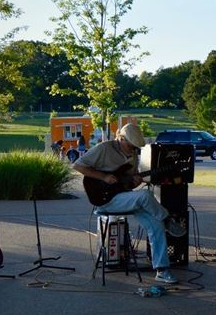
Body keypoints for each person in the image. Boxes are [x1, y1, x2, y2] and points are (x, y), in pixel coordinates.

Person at [72, 122, 185, 285]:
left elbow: (128, 183)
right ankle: (167, 219)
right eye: (132, 146)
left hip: (123, 196)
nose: (134, 150)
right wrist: (103, 177)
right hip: (104, 200)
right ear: (121, 139)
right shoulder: (104, 148)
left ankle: (162, 270)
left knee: (156, 226)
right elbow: (78, 165)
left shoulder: (132, 156)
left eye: (136, 147)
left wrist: (136, 181)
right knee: (146, 195)